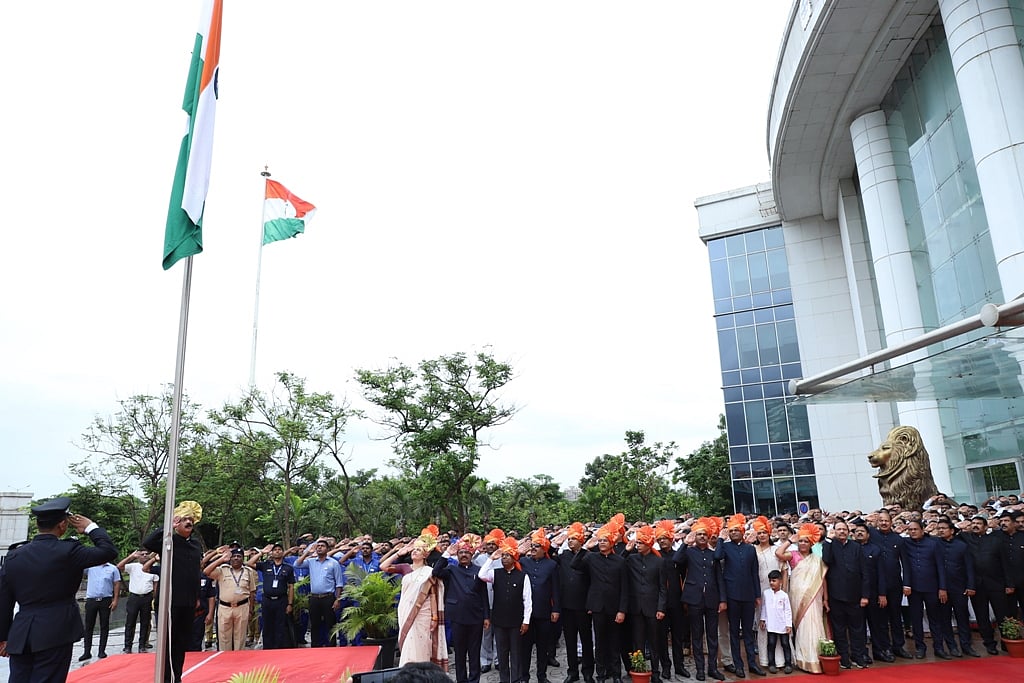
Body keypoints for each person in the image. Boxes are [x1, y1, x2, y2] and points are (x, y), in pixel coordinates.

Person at [0, 497, 117, 683]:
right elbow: (108, 551)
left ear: (38, 524)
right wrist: (91, 527)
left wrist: (3, 637)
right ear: (62, 525)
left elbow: (4, 601)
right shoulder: (69, 551)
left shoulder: (14, 555)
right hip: (56, 631)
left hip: (21, 634)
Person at [143, 500, 206, 683]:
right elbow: (148, 542)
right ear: (178, 522)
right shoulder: (168, 541)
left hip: (188, 602)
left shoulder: (195, 546)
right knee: (167, 643)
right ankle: (164, 677)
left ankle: (176, 677)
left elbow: (195, 573)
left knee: (181, 643)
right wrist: (169, 526)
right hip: (169, 600)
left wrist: (196, 597)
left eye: (191, 520)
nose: (189, 522)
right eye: (185, 519)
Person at [571, 519, 628, 683]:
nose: (602, 543)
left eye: (605, 540)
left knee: (615, 642)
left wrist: (622, 610)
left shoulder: (620, 561)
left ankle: (616, 674)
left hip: (615, 607)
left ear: (611, 542)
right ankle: (601, 674)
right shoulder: (592, 558)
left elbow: (625, 588)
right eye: (600, 540)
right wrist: (585, 547)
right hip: (597, 607)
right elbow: (575, 565)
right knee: (600, 643)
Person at [385, 526, 449, 670]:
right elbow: (383, 566)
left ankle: (421, 673)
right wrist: (399, 552)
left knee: (421, 643)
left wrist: (434, 617)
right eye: (414, 549)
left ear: (425, 555)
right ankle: (407, 673)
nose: (414, 551)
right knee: (407, 642)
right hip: (405, 610)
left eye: (418, 550)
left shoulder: (430, 572)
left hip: (423, 614)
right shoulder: (404, 568)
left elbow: (433, 595)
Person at [673, 517, 727, 682]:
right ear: (695, 536)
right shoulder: (689, 552)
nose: (702, 537)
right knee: (696, 635)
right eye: (699, 534)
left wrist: (722, 599)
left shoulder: (713, 555)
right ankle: (700, 669)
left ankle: (712, 668)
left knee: (712, 635)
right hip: (694, 599)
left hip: (712, 599)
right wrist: (685, 542)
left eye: (705, 534)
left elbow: (719, 578)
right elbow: (676, 560)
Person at [714, 514, 766, 677]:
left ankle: (752, 663)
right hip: (732, 595)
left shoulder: (750, 548)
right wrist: (721, 539)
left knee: (749, 632)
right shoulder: (726, 547)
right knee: (735, 632)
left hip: (749, 595)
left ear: (743, 531)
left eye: (737, 530)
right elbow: (717, 557)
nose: (734, 532)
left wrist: (757, 595)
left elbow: (754, 573)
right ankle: (738, 665)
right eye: (732, 530)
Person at [433, 534, 489, 683]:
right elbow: (435, 572)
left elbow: (484, 595)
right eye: (461, 553)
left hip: (475, 616)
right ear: (457, 555)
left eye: (467, 553)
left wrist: (486, 616)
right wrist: (446, 554)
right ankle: (461, 680)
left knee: (474, 652)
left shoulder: (479, 570)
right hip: (457, 616)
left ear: (472, 555)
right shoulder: (451, 570)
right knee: (460, 653)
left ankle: (474, 680)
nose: (464, 555)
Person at [775, 523, 826, 674]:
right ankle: (803, 659)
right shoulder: (793, 555)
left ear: (812, 543)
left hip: (815, 596)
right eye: (801, 541)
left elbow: (823, 580)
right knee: (802, 625)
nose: (803, 543)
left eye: (806, 541)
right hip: (797, 596)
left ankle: (816, 658)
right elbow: (779, 553)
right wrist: (790, 540)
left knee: (815, 623)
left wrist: (826, 599)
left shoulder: (817, 559)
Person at [479, 537, 532, 683]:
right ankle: (504, 680)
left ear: (514, 558)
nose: (504, 558)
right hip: (499, 621)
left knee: (516, 653)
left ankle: (516, 679)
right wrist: (491, 558)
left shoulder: (523, 576)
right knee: (502, 654)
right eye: (503, 556)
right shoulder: (496, 573)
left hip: (516, 622)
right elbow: (481, 575)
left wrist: (526, 621)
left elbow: (528, 601)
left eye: (507, 555)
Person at [821, 519, 870, 669]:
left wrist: (865, 595)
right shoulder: (829, 545)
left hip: (855, 596)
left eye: (844, 529)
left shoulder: (856, 547)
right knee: (839, 629)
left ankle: (858, 656)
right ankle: (844, 658)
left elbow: (865, 572)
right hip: (836, 596)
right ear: (834, 531)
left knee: (857, 629)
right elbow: (826, 561)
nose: (842, 532)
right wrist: (829, 539)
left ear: (849, 532)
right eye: (839, 529)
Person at [866, 509, 912, 661]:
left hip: (895, 585)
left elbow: (905, 563)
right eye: (881, 521)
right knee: (881, 619)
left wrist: (906, 584)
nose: (884, 523)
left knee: (896, 617)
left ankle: (898, 646)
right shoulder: (871, 535)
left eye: (887, 521)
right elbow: (857, 526)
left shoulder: (899, 539)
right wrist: (869, 519)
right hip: (877, 585)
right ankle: (884, 648)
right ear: (877, 522)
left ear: (891, 522)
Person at [902, 519, 949, 659]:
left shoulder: (933, 544)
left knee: (935, 619)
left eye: (915, 529)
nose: (912, 532)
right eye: (910, 530)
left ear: (922, 530)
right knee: (916, 619)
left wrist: (942, 588)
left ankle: (939, 647)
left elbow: (941, 567)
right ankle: (920, 647)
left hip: (932, 587)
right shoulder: (905, 543)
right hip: (914, 589)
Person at [557, 522, 595, 683]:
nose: (570, 541)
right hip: (567, 605)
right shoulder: (563, 556)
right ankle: (572, 672)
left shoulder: (589, 556)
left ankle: (587, 672)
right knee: (570, 641)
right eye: (569, 539)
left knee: (586, 640)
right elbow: (549, 548)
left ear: (581, 540)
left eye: (573, 539)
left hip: (583, 606)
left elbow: (594, 581)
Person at [521, 528, 560, 683]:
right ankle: (524, 676)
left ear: (544, 549)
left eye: (537, 546)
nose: (533, 548)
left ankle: (541, 676)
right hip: (526, 613)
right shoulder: (523, 562)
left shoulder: (551, 565)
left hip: (544, 611)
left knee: (543, 647)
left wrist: (556, 609)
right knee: (525, 647)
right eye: (532, 546)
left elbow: (556, 589)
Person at [962, 514, 1005, 655]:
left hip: (996, 582)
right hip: (976, 585)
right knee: (982, 615)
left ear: (986, 527)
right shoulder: (965, 538)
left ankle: (1007, 641)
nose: (975, 525)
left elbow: (1004, 563)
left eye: (979, 523)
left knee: (1002, 614)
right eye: (973, 523)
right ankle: (989, 643)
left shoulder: (995, 540)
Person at [935, 518, 978, 656]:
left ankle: (966, 645)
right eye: (939, 528)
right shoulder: (935, 545)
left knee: (962, 618)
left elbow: (969, 567)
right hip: (941, 588)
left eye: (944, 528)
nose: (941, 530)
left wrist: (970, 585)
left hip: (960, 588)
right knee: (945, 619)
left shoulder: (962, 546)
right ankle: (952, 646)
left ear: (952, 530)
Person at [654, 520, 690, 680]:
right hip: (660, 603)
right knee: (661, 637)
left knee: (678, 636)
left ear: (671, 539)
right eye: (659, 539)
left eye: (665, 538)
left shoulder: (678, 556)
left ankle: (679, 666)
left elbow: (682, 570)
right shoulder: (656, 556)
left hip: (677, 601)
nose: (662, 541)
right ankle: (666, 666)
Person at [293, 538, 345, 647]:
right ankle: (315, 647)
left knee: (330, 623)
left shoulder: (333, 563)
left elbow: (339, 583)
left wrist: (337, 599)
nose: (320, 547)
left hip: (328, 597)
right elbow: (296, 565)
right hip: (314, 598)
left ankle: (331, 646)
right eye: (318, 546)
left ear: (328, 549)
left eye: (322, 546)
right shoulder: (311, 561)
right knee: (315, 624)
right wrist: (308, 552)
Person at [204, 547, 257, 650]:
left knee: (240, 637)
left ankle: (238, 659)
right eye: (233, 556)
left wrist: (251, 610)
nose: (236, 558)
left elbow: (252, 592)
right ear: (230, 559)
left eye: (239, 556)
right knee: (224, 637)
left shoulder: (248, 571)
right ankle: (225, 660)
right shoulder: (222, 570)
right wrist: (221, 559)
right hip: (225, 608)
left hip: (242, 607)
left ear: (243, 559)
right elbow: (206, 572)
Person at [248, 543, 297, 649]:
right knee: (267, 625)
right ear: (272, 553)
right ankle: (268, 648)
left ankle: (279, 648)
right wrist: (262, 552)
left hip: (281, 600)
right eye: (275, 550)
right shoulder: (266, 565)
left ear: (283, 553)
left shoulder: (288, 568)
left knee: (281, 625)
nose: (277, 551)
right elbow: (249, 563)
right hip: (267, 600)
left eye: (280, 549)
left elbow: (291, 587)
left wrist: (290, 603)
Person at [118, 549, 159, 653]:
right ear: (138, 556)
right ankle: (128, 646)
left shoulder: (153, 569)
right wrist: (131, 557)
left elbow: (155, 586)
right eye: (142, 554)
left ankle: (142, 645)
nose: (144, 556)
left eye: (146, 554)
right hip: (134, 597)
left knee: (145, 622)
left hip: (147, 597)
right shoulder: (133, 566)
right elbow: (119, 566)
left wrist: (155, 598)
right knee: (130, 622)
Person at [79, 561, 122, 660]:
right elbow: (79, 570)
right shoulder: (90, 567)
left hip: (106, 600)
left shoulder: (112, 568)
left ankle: (101, 651)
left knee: (104, 625)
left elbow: (116, 584)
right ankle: (86, 651)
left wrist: (115, 600)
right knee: (89, 626)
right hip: (92, 600)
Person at [758, 570, 792, 674]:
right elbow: (764, 607)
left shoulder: (784, 595)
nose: (771, 583)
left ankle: (788, 664)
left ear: (780, 581)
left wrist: (788, 624)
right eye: (770, 581)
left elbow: (788, 611)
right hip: (771, 624)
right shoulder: (766, 593)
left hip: (782, 625)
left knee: (785, 644)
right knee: (771, 644)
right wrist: (762, 619)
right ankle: (771, 664)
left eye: (774, 580)